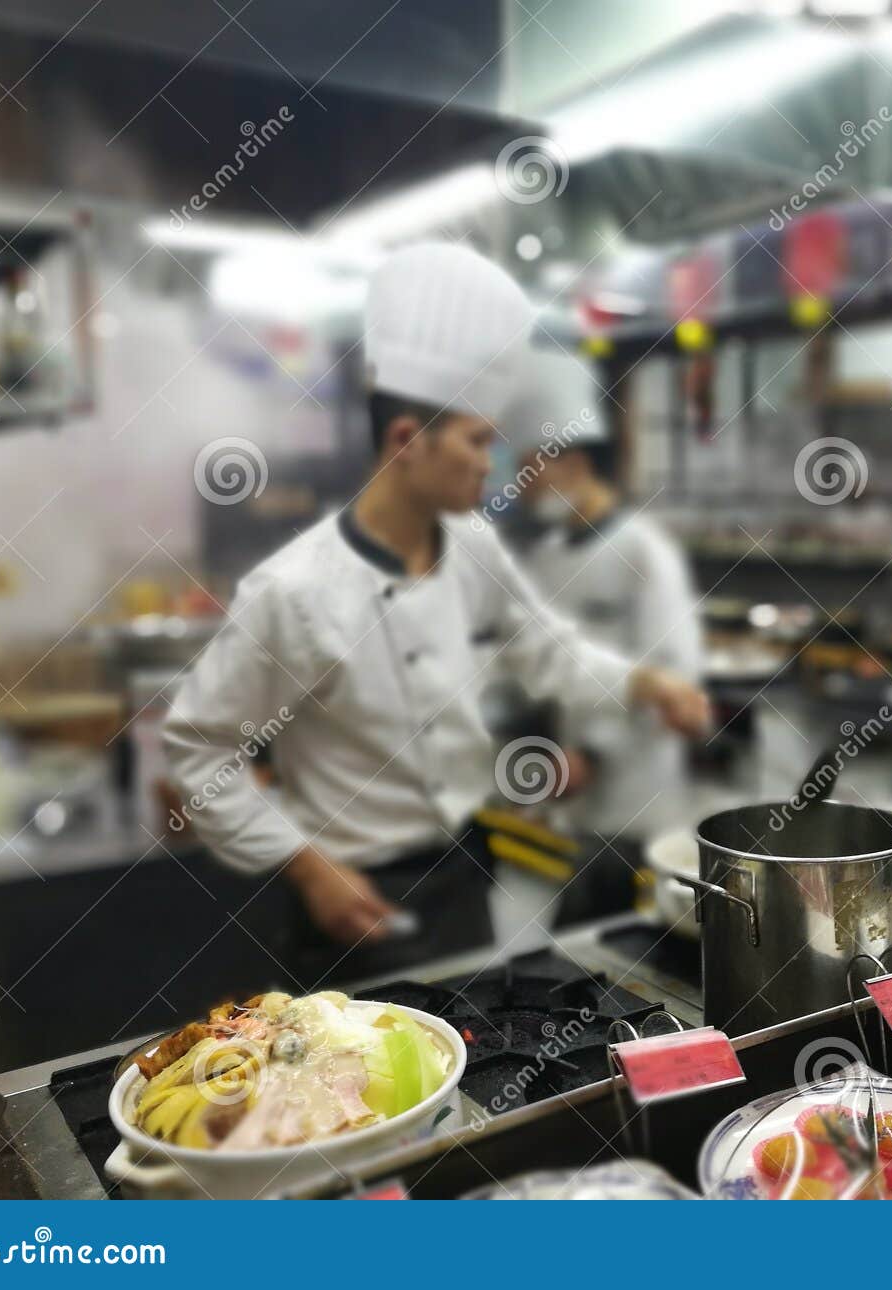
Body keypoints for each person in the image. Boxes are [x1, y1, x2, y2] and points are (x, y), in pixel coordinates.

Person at [162, 243, 709, 987]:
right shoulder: (292, 592)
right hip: (354, 900)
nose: (494, 462)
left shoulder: (472, 546)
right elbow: (198, 752)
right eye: (479, 441)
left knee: (477, 1076)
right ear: (406, 442)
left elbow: (549, 651)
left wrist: (650, 684)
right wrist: (308, 867)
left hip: (463, 877)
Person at [512, 361, 703, 855]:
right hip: (568, 797)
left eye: (530, 471)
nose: (523, 490)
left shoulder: (645, 551)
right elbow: (539, 660)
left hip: (637, 799)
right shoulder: (545, 558)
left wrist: (595, 753)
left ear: (573, 464)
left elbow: (674, 673)